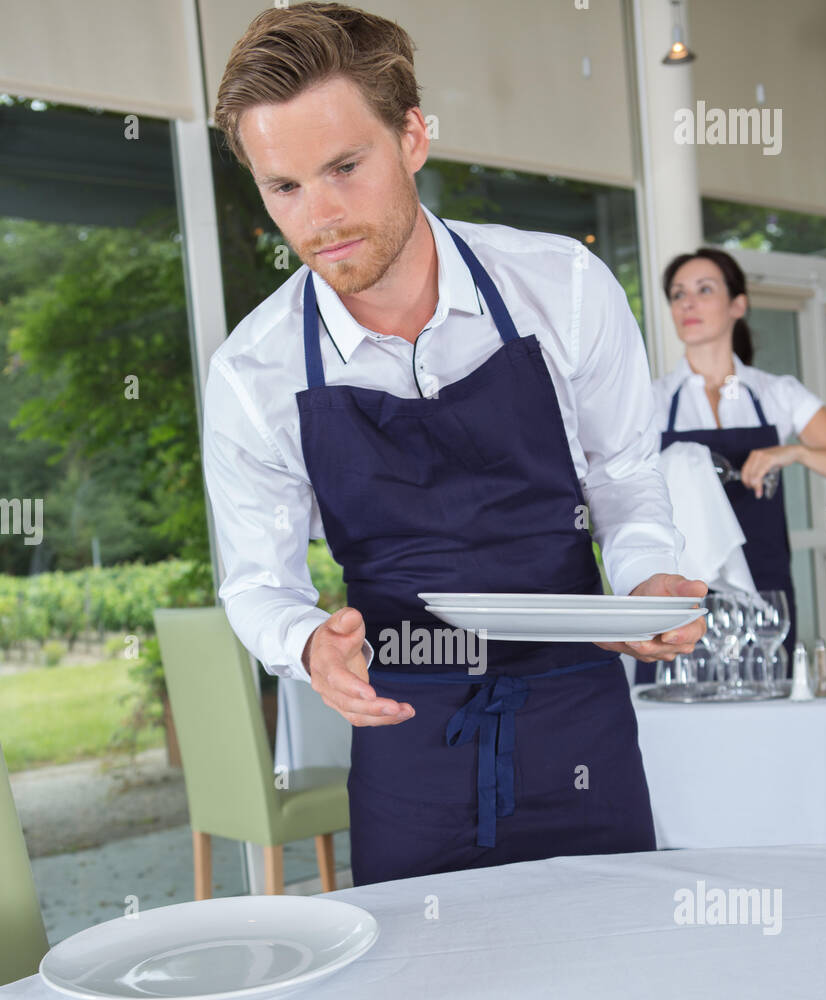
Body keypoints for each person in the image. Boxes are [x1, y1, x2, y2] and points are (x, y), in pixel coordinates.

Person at [203, 2, 706, 887]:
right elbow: (256, 582)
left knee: (620, 982)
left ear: (413, 137)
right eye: (284, 187)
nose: (320, 216)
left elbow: (627, 481)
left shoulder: (566, 288)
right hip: (407, 742)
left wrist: (643, 582)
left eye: (346, 168)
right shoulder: (253, 372)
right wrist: (309, 643)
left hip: (578, 719)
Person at [651, 246, 826, 674]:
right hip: (679, 597)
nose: (688, 303)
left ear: (738, 304)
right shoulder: (650, 401)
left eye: (703, 289)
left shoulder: (775, 394)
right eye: (678, 294)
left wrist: (798, 451)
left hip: (764, 593)